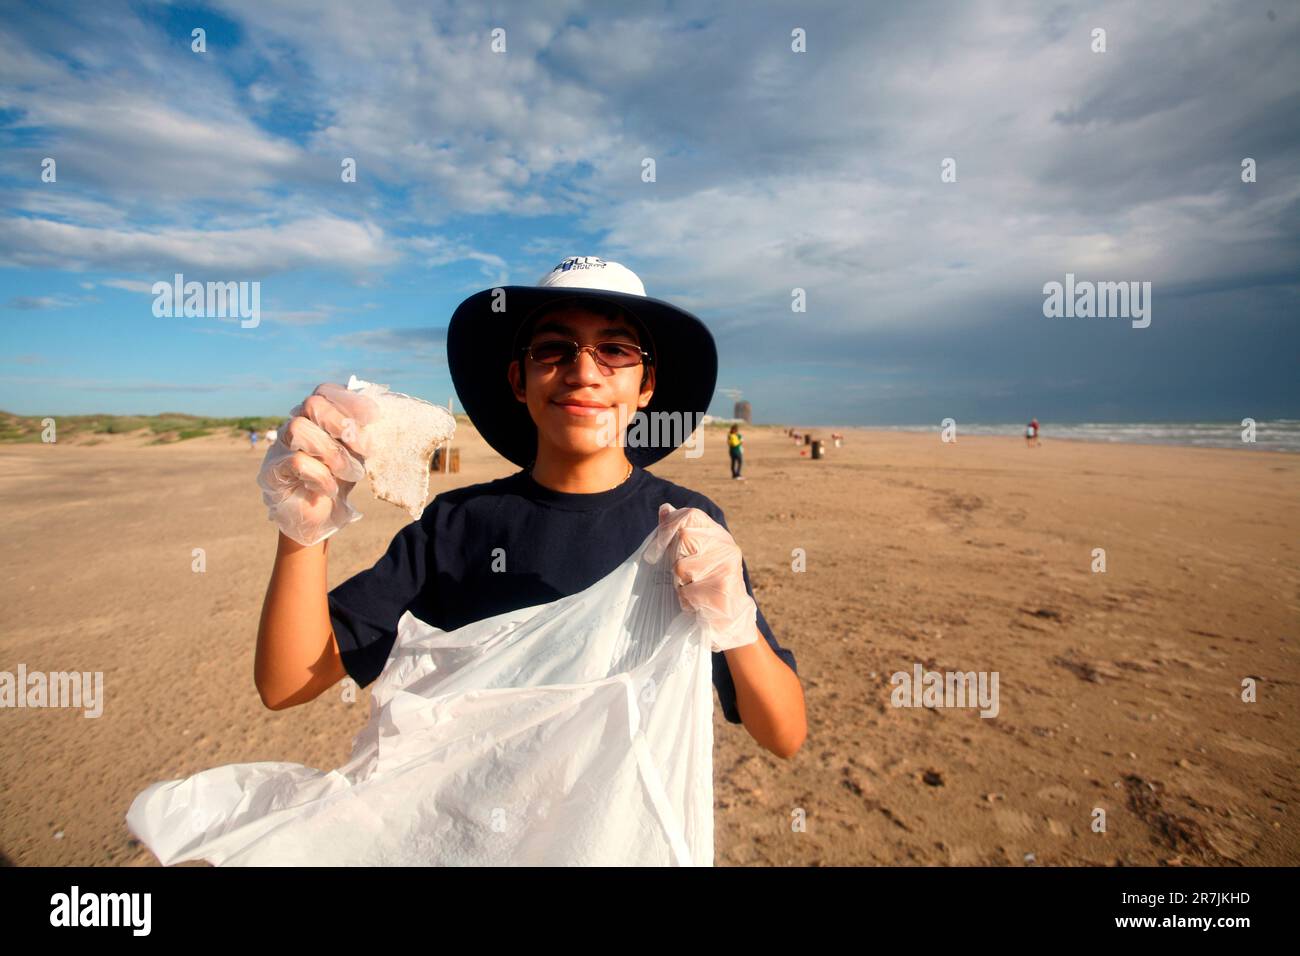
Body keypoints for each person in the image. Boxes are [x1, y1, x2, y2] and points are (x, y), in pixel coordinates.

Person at [254, 256, 806, 759]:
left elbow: (782, 733)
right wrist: (303, 528)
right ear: (519, 379)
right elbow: (287, 682)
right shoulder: (455, 525)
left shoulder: (687, 528)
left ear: (647, 385)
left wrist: (736, 627)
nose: (583, 372)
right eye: (552, 349)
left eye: (614, 351)